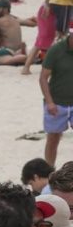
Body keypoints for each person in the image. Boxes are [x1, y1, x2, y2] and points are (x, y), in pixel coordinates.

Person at [42, 33, 73, 167]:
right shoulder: (56, 50)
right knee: (53, 139)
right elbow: (43, 78)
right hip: (57, 103)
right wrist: (49, 102)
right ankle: (49, 169)